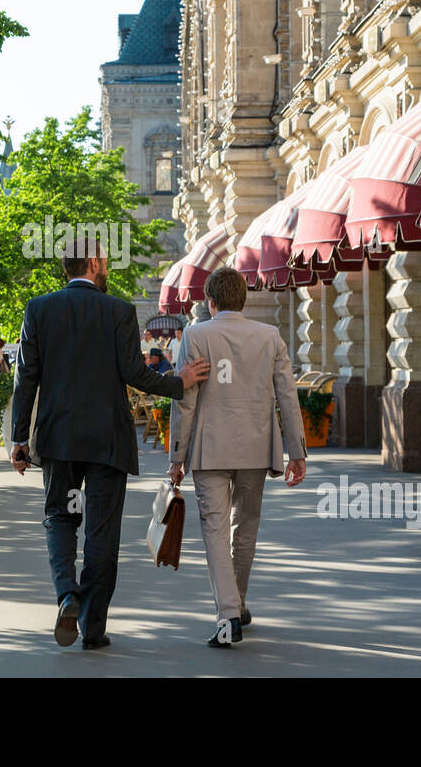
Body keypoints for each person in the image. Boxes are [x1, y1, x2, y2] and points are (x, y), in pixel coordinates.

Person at [10, 241, 210, 651]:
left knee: (61, 519)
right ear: (95, 263)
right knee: (102, 532)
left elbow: (26, 378)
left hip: (59, 439)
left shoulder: (39, 309)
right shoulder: (118, 310)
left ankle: (67, 594)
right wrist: (180, 381)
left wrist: (19, 439)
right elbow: (135, 373)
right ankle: (93, 628)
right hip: (107, 440)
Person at [168, 266, 308, 648]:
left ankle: (228, 613)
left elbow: (186, 401)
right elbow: (288, 396)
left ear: (210, 302)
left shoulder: (196, 335)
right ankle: (238, 604)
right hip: (255, 447)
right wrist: (296, 451)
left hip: (209, 448)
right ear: (243, 300)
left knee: (214, 529)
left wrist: (176, 456)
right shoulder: (270, 337)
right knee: (245, 530)